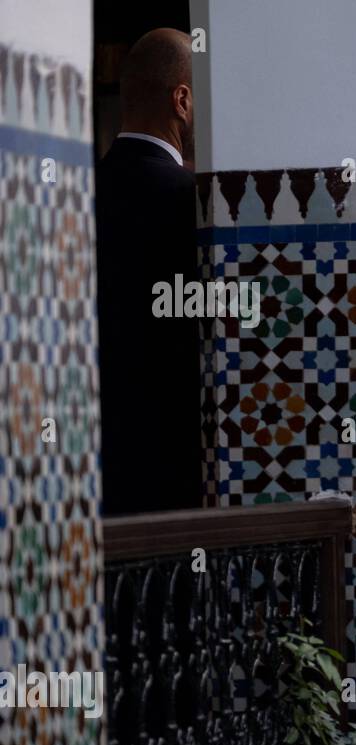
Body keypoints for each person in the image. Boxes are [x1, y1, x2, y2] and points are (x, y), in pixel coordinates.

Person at [96, 28, 203, 515]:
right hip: (174, 473)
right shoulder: (195, 204)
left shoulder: (69, 196)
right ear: (181, 100)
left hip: (87, 472)